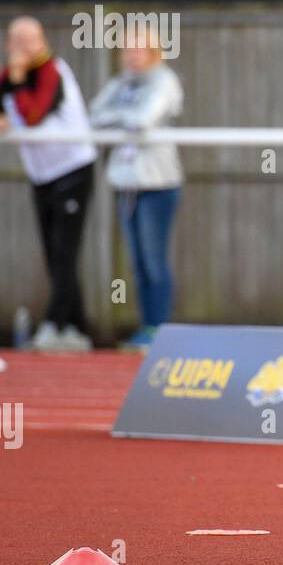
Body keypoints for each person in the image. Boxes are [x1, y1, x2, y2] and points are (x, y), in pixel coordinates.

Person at [0, 17, 98, 352]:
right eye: (17, 40)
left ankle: (57, 324)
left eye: (30, 40)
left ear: (42, 41)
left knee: (64, 251)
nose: (23, 48)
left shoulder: (51, 71)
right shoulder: (8, 76)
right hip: (42, 175)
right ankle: (76, 327)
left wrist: (16, 83)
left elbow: (32, 116)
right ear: (7, 44)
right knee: (52, 253)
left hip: (72, 169)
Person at [90, 25, 185, 353]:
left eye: (138, 49)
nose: (131, 55)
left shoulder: (165, 81)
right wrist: (123, 117)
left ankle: (160, 329)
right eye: (127, 49)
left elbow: (144, 120)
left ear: (153, 52)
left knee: (154, 259)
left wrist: (118, 118)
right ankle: (147, 326)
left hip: (157, 184)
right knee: (138, 262)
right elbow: (93, 117)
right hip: (125, 184)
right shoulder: (119, 85)